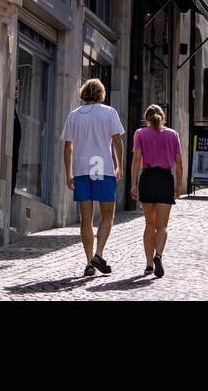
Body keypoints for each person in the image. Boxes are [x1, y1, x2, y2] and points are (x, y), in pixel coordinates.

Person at [61, 78, 125, 277]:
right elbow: (117, 141)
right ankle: (98, 254)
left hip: (81, 169)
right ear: (101, 94)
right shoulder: (109, 112)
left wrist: (68, 172)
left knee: (86, 218)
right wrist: (119, 165)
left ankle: (89, 263)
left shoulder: (74, 115)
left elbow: (68, 146)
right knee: (107, 215)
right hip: (102, 168)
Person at [130, 104, 183, 278]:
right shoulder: (173, 134)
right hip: (165, 179)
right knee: (162, 225)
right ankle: (158, 255)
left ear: (147, 119)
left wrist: (133, 183)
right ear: (163, 117)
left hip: (148, 178)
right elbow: (179, 162)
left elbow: (136, 158)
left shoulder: (140, 134)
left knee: (149, 224)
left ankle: (148, 265)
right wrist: (178, 184)